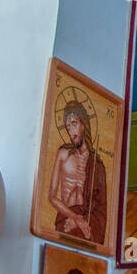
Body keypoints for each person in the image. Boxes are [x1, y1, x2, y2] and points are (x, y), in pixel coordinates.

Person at [48, 100, 108, 244]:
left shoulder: (97, 165)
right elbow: (51, 196)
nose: (71, 132)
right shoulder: (63, 154)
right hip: (66, 219)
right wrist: (74, 218)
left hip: (87, 222)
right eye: (68, 128)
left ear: (84, 125)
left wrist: (83, 221)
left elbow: (101, 207)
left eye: (74, 124)